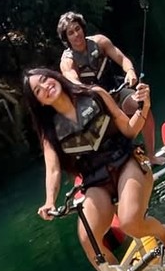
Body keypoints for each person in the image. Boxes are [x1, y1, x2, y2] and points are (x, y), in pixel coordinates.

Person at [24, 69, 165, 271]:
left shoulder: (94, 95)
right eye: (38, 90)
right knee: (88, 240)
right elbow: (53, 170)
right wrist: (49, 201)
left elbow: (128, 130)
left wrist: (144, 108)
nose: (46, 87)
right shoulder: (50, 133)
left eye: (45, 80)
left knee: (129, 222)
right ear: (38, 102)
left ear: (54, 76)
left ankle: (164, 233)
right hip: (96, 182)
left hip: (128, 162)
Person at [57, 11, 159, 161]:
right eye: (71, 33)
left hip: (117, 91)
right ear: (66, 38)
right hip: (97, 105)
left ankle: (151, 155)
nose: (76, 34)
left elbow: (122, 59)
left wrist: (130, 71)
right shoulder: (67, 61)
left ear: (83, 28)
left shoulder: (100, 42)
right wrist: (91, 92)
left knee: (142, 106)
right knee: (104, 135)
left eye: (77, 29)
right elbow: (73, 81)